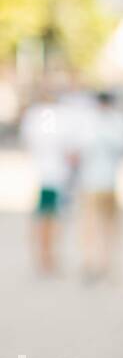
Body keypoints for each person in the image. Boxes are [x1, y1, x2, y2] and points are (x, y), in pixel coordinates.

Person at [73, 91, 123, 282]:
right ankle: (99, 262)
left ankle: (100, 262)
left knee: (99, 225)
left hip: (100, 181)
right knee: (99, 225)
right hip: (99, 181)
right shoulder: (117, 123)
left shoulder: (92, 123)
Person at [19, 88, 75, 277]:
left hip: (43, 173)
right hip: (54, 176)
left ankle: (44, 256)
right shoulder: (59, 117)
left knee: (45, 218)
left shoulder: (35, 117)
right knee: (49, 219)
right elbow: (68, 147)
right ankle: (46, 257)